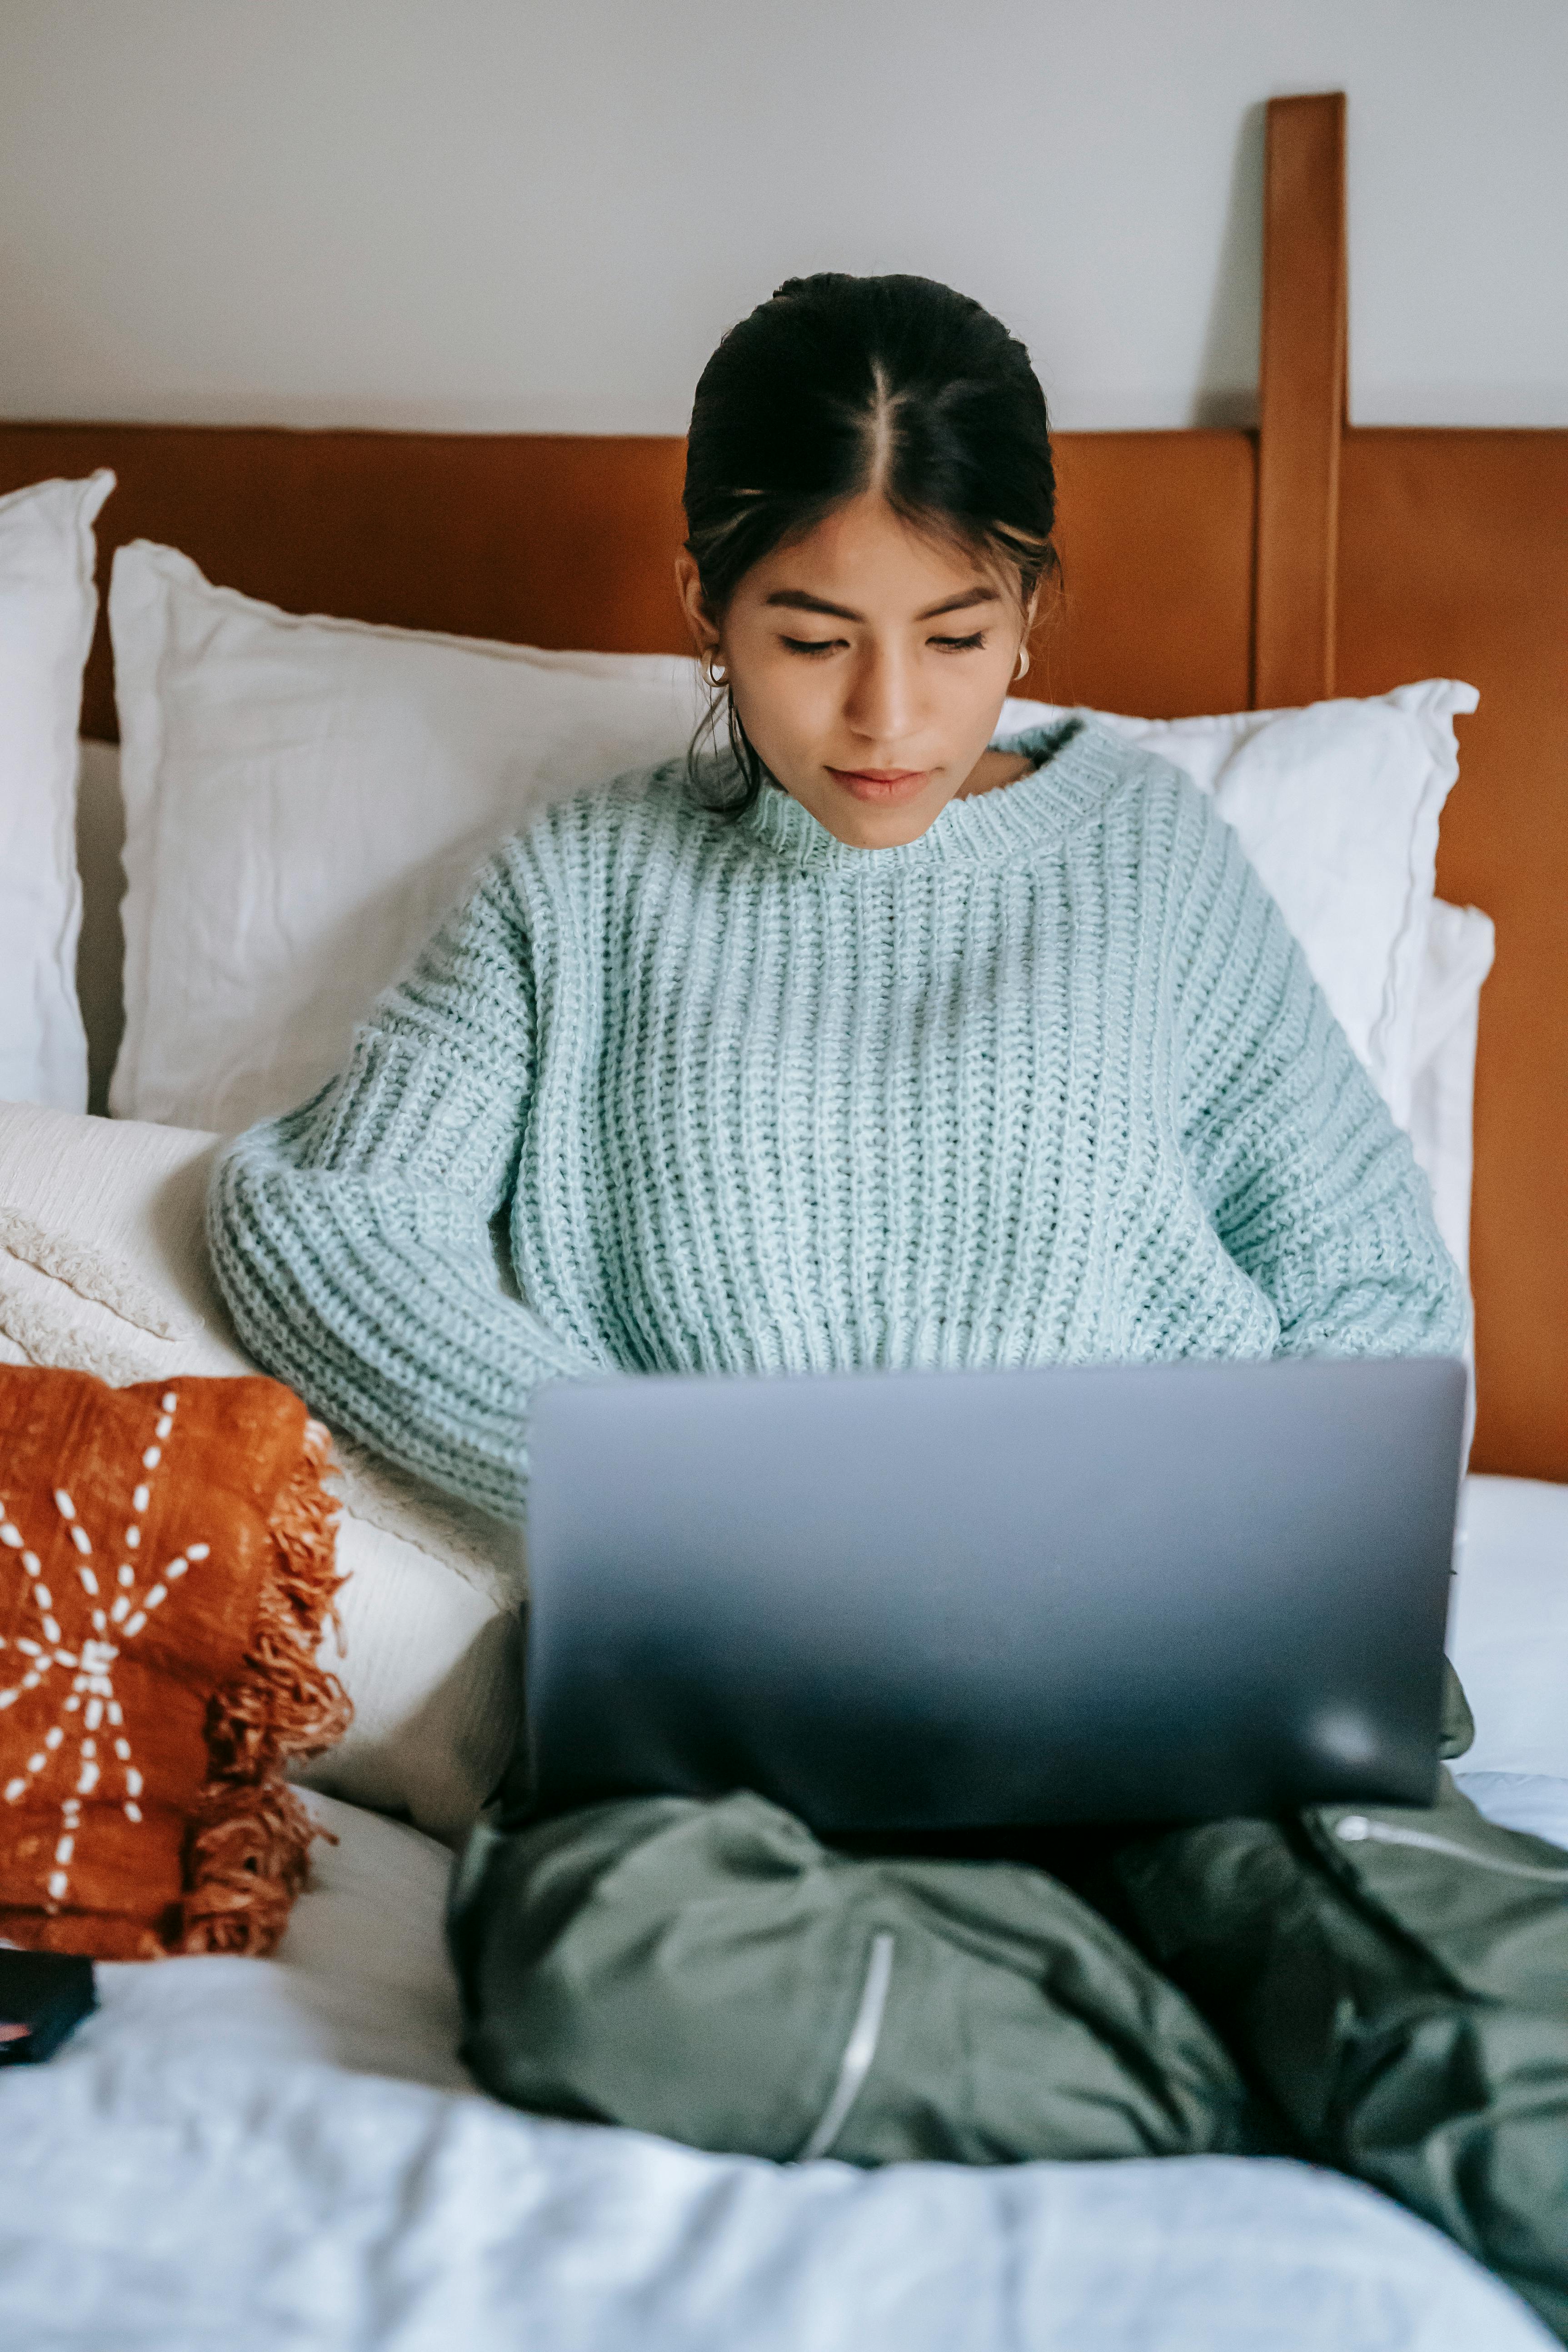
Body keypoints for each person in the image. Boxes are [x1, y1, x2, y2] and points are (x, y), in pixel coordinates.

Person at [209, 275, 1568, 2340]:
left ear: (1030, 600)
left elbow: (1369, 1277)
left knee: (1495, 2002)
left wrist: (1223, 1535)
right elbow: (316, 1223)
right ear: (703, 601)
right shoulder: (577, 890)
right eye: (807, 639)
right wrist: (657, 1479)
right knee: (598, 1971)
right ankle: (1255, 2058)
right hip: (729, 1696)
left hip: (1161, 1671)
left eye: (953, 638)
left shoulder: (1144, 856)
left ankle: (1223, 1983)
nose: (887, 723)